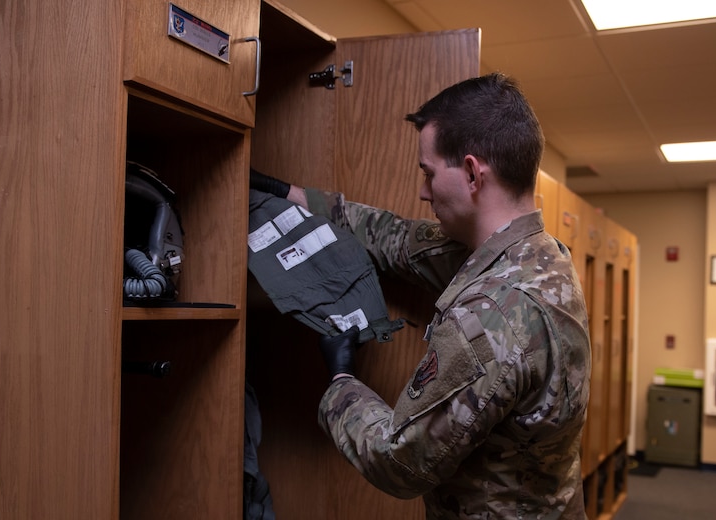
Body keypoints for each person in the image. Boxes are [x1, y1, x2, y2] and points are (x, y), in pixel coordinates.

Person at [251, 72, 591, 519]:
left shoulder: (491, 316)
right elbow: (396, 238)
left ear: (471, 172)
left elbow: (400, 461)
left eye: (429, 173)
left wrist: (341, 382)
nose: (422, 191)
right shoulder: (543, 258)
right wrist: (284, 194)